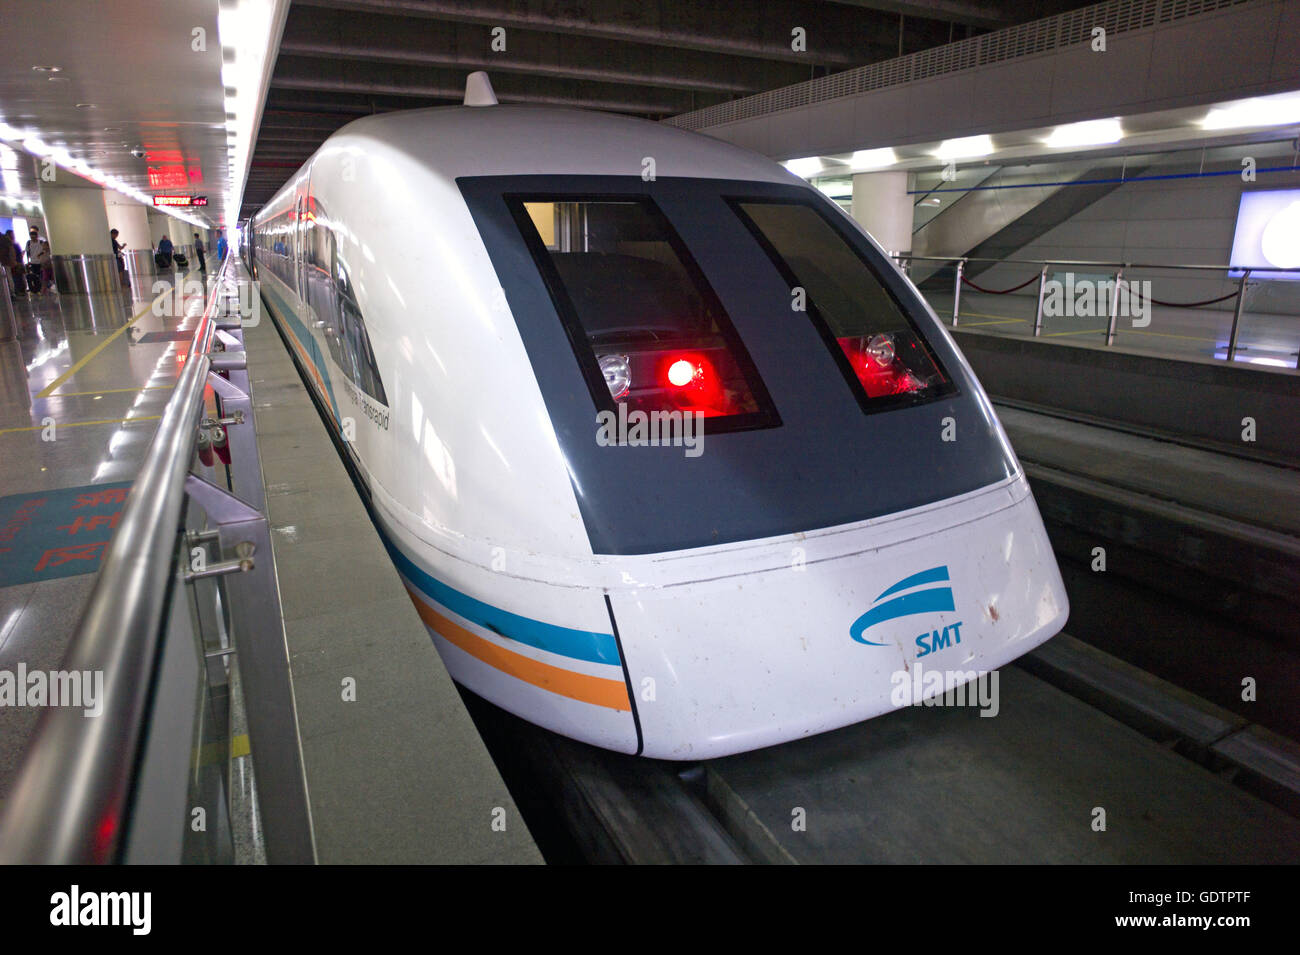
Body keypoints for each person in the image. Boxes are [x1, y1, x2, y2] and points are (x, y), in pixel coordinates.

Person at [0, 229, 18, 299]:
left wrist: (12, 260)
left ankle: (11, 293)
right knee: (7, 277)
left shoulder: (4, 239)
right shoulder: (5, 238)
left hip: (5, 261)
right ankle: (10, 293)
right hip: (5, 261)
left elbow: (11, 250)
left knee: (7, 277)